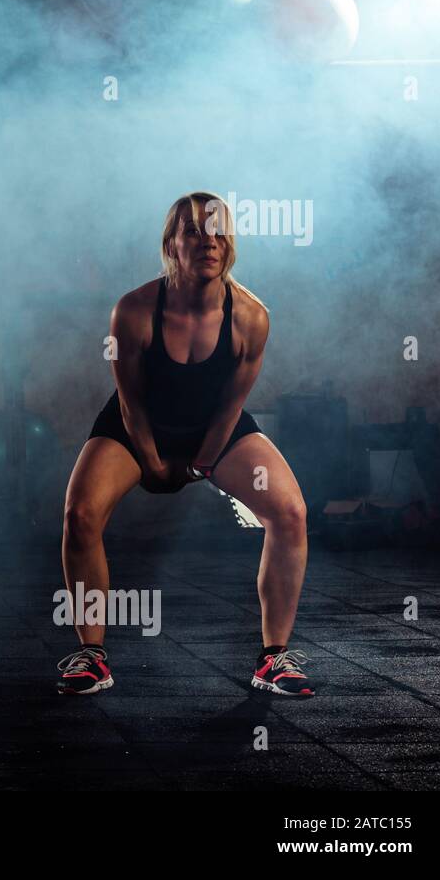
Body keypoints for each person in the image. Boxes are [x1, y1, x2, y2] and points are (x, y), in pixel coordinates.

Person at [58, 192, 314, 697]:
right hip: (139, 427)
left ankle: (274, 658)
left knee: (290, 513)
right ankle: (91, 655)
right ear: (171, 244)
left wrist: (200, 465)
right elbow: (130, 402)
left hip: (214, 429)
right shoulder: (132, 310)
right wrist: (152, 463)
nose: (208, 241)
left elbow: (230, 406)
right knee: (79, 514)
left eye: (218, 230)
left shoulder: (251, 317)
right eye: (193, 231)